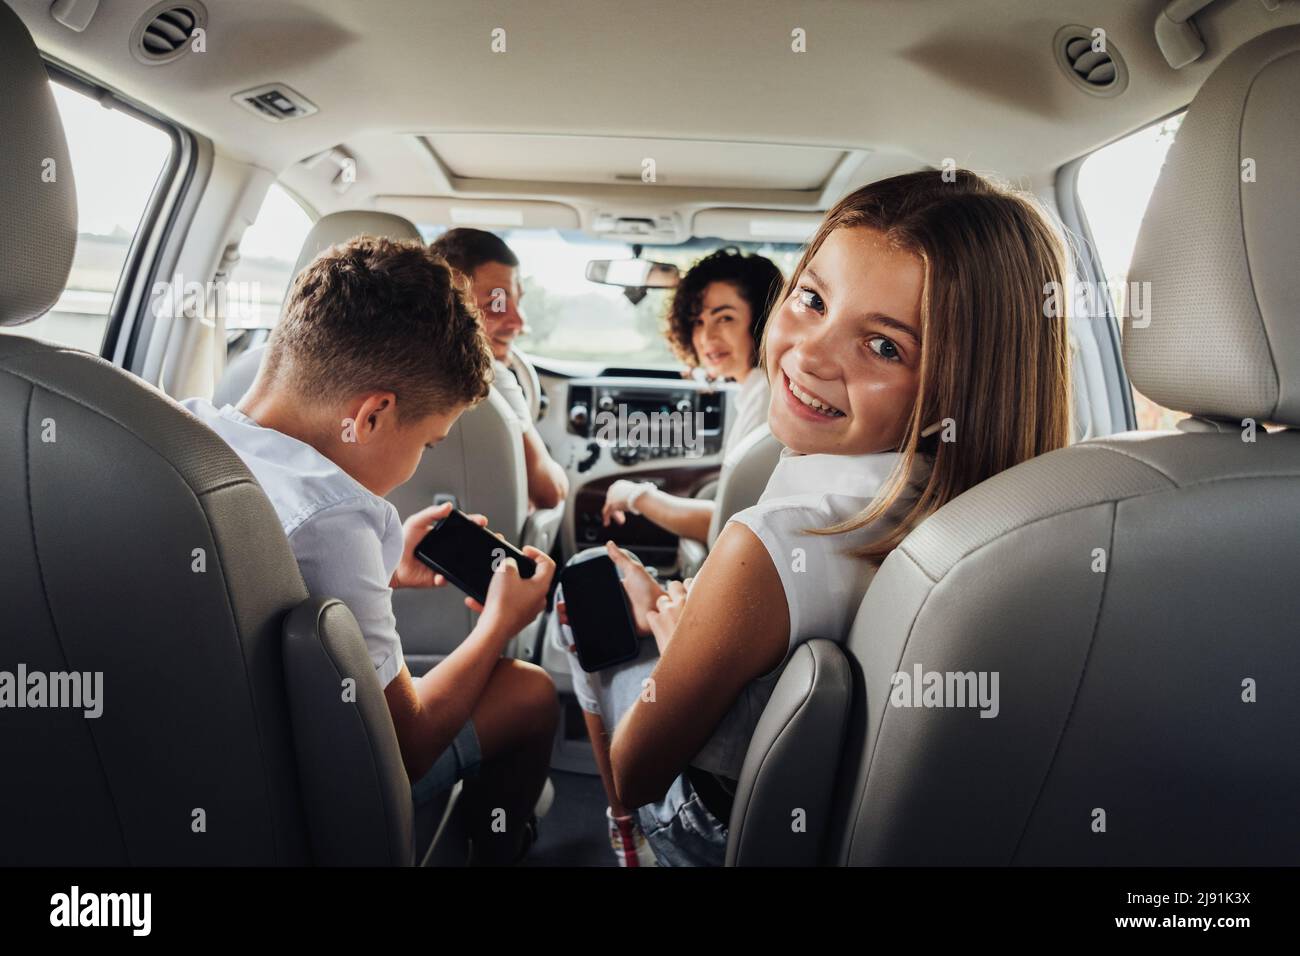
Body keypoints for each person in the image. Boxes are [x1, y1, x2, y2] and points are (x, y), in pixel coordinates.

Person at [566, 169, 1072, 865]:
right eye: (811, 299)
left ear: (962, 382)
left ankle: (629, 844)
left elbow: (637, 770)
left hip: (721, 825)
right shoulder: (1013, 513)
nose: (810, 353)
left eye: (885, 345)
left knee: (584, 597)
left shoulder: (766, 545)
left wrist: (672, 630)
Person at [184, 236, 558, 864]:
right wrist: (498, 624)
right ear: (376, 413)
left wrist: (382, 568)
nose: (419, 463)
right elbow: (404, 746)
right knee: (528, 691)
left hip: (193, 773)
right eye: (429, 444)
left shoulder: (183, 434)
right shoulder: (338, 520)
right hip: (301, 806)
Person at [600, 249, 785, 543]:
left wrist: (635, 495)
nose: (706, 337)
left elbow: (729, 527)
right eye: (697, 322)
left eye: (724, 318)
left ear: (763, 320)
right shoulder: (759, 387)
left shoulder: (768, 397)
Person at [429, 227, 569, 510]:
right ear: (449, 305)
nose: (518, 322)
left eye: (518, 300)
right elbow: (550, 492)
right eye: (496, 304)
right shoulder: (493, 379)